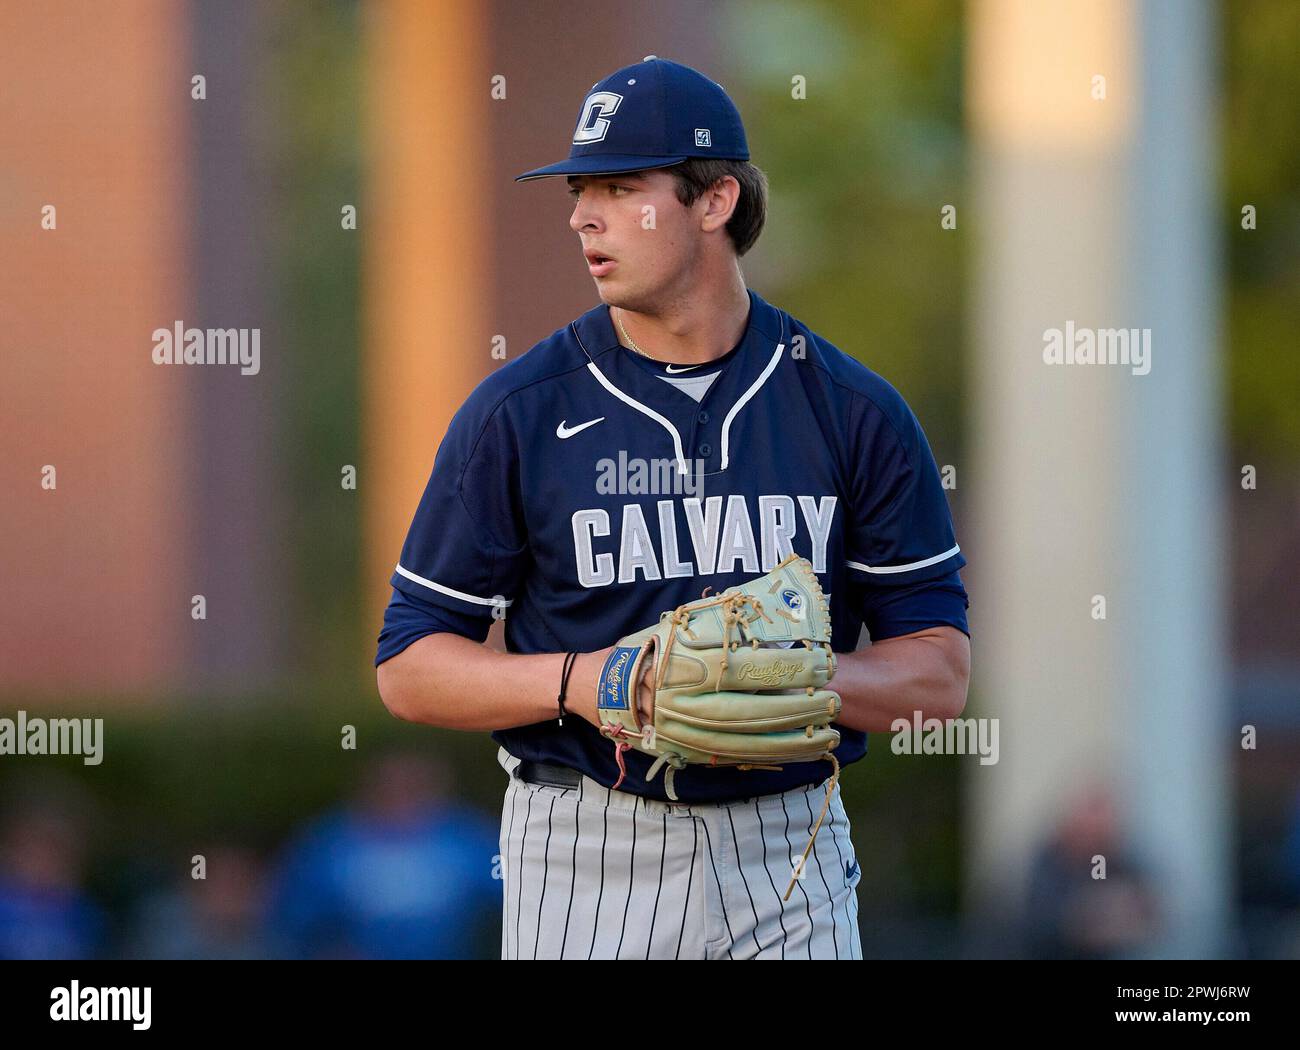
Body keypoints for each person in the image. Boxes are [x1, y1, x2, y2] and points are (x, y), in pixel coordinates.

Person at [376, 57, 971, 960]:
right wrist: (591, 680)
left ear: (715, 200)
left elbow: (938, 677)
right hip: (584, 849)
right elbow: (409, 667)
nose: (584, 215)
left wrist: (777, 682)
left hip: (789, 846)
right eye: (581, 190)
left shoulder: (850, 410)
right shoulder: (521, 413)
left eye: (620, 186)